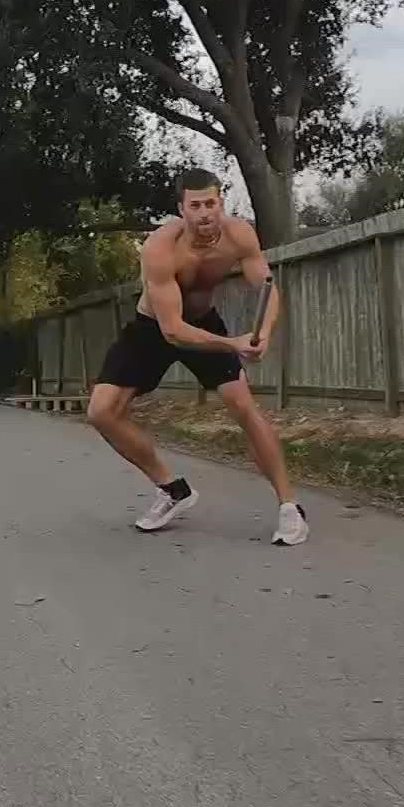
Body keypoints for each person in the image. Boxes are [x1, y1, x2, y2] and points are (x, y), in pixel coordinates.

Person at [85, 168, 309, 546]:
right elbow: (172, 329)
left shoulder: (239, 234)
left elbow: (268, 288)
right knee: (101, 412)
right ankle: (172, 489)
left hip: (204, 321)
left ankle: (290, 508)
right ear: (181, 209)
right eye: (195, 206)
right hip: (152, 329)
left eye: (211, 204)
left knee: (243, 408)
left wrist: (264, 333)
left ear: (221, 203)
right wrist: (233, 344)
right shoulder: (160, 248)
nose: (205, 213)